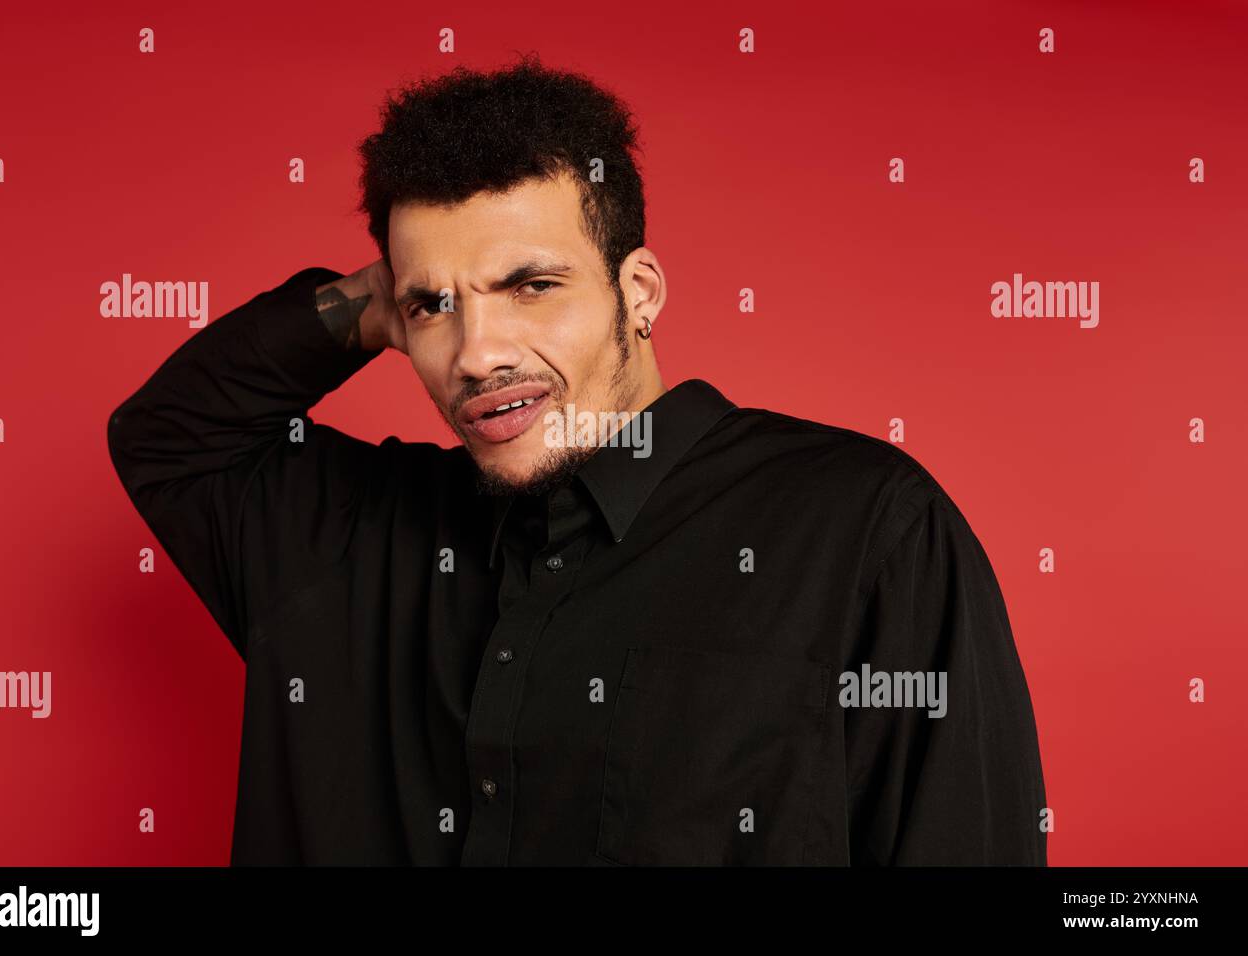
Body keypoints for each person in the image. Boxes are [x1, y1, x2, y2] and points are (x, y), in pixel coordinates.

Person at [107, 53, 1047, 865]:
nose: (478, 354)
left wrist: (443, 286)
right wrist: (369, 300)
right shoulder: (346, 542)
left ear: (636, 293)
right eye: (434, 307)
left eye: (530, 286)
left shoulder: (864, 530)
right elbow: (171, 438)